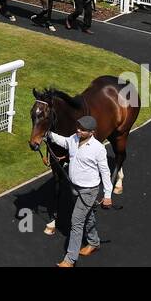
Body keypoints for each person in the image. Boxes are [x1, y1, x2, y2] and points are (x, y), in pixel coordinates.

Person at [49, 114, 113, 267]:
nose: (78, 130)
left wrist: (108, 195)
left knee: (76, 221)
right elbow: (64, 142)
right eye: (78, 127)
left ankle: (70, 260)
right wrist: (49, 135)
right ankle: (94, 242)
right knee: (88, 216)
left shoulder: (98, 149)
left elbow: (105, 172)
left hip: (88, 191)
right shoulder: (74, 138)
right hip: (74, 188)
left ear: (91, 132)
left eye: (82, 129)